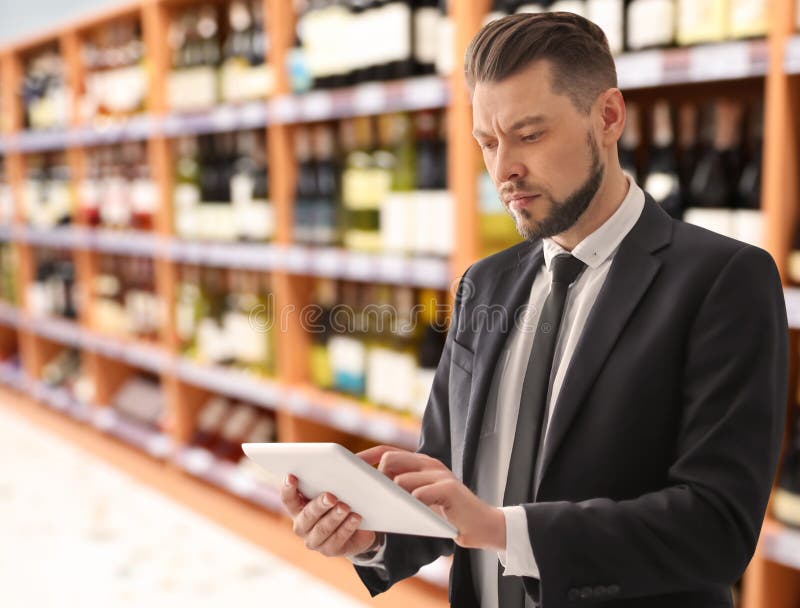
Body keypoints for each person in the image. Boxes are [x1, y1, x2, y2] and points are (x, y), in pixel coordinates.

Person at [280, 12, 788, 608]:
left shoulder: (723, 280)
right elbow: (451, 479)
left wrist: (501, 529)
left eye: (529, 135)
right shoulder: (483, 284)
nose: (503, 171)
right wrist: (375, 534)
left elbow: (717, 526)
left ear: (608, 117)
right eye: (487, 143)